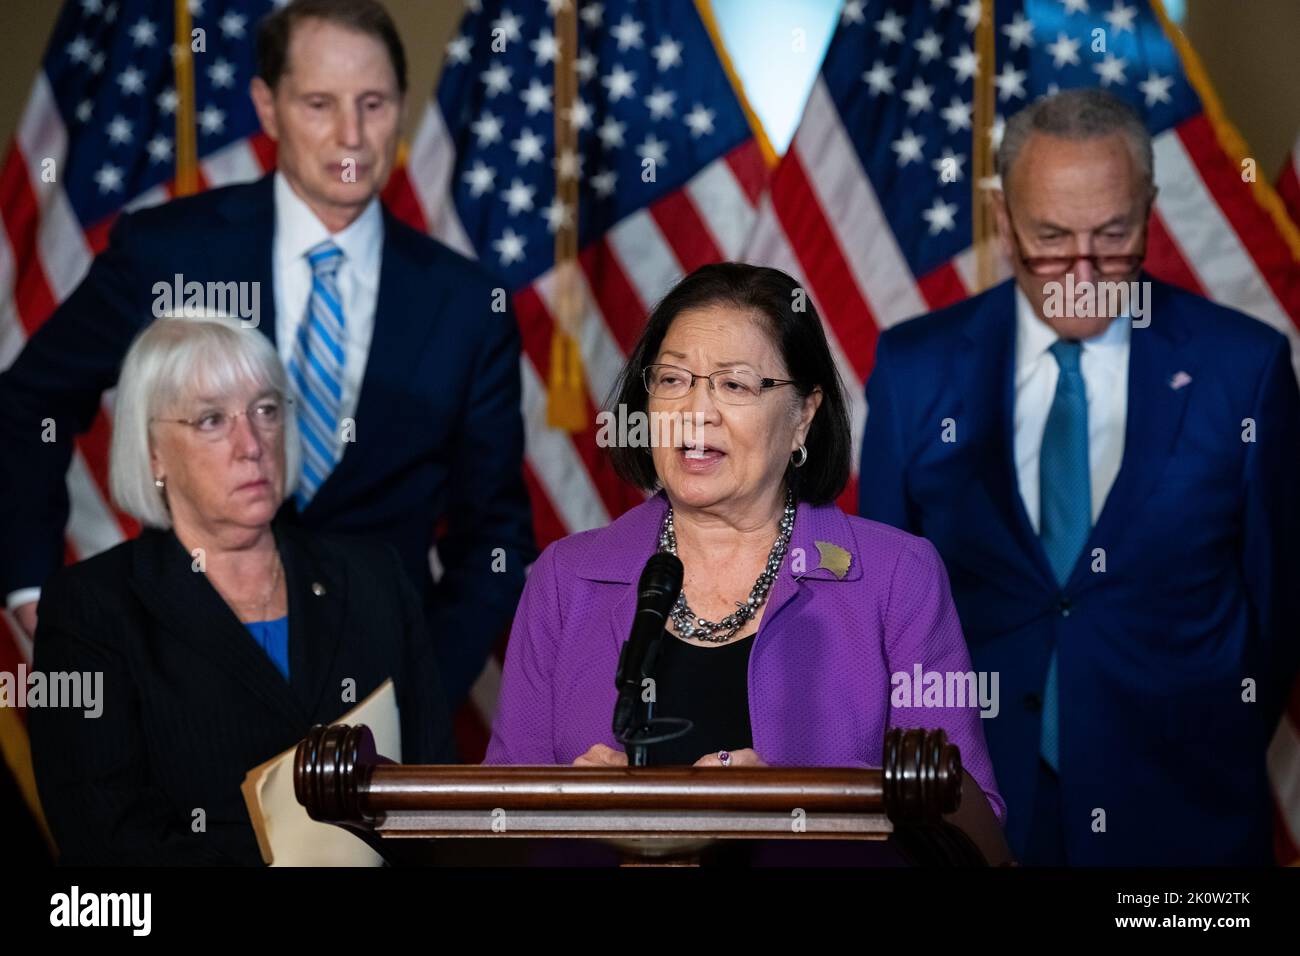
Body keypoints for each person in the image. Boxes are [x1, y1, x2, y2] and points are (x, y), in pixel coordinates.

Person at [0, 0, 534, 707]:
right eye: (319, 103)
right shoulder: (170, 251)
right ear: (268, 106)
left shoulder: (469, 305)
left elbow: (495, 535)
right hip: (175, 679)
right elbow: (29, 400)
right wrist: (31, 584)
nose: (351, 134)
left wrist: (419, 683)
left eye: (372, 104)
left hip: (379, 704)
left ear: (402, 106)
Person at [859, 89, 1300, 865]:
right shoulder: (914, 367)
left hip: (1183, 818)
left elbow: (1275, 611)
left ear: (1151, 210)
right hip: (970, 814)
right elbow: (885, 614)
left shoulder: (1246, 368)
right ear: (1004, 220)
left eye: (1114, 235)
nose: (1084, 272)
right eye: (1052, 238)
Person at [484, 263, 1007, 857]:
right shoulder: (566, 578)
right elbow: (500, 825)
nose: (696, 412)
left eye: (734, 385)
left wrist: (786, 816)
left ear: (802, 417)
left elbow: (970, 833)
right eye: (674, 379)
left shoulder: (897, 579)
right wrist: (570, 812)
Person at [28, 317, 454, 865]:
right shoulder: (92, 609)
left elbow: (438, 791)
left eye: (266, 411)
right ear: (153, 452)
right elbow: (107, 843)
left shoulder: (372, 576)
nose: (251, 444)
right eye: (211, 420)